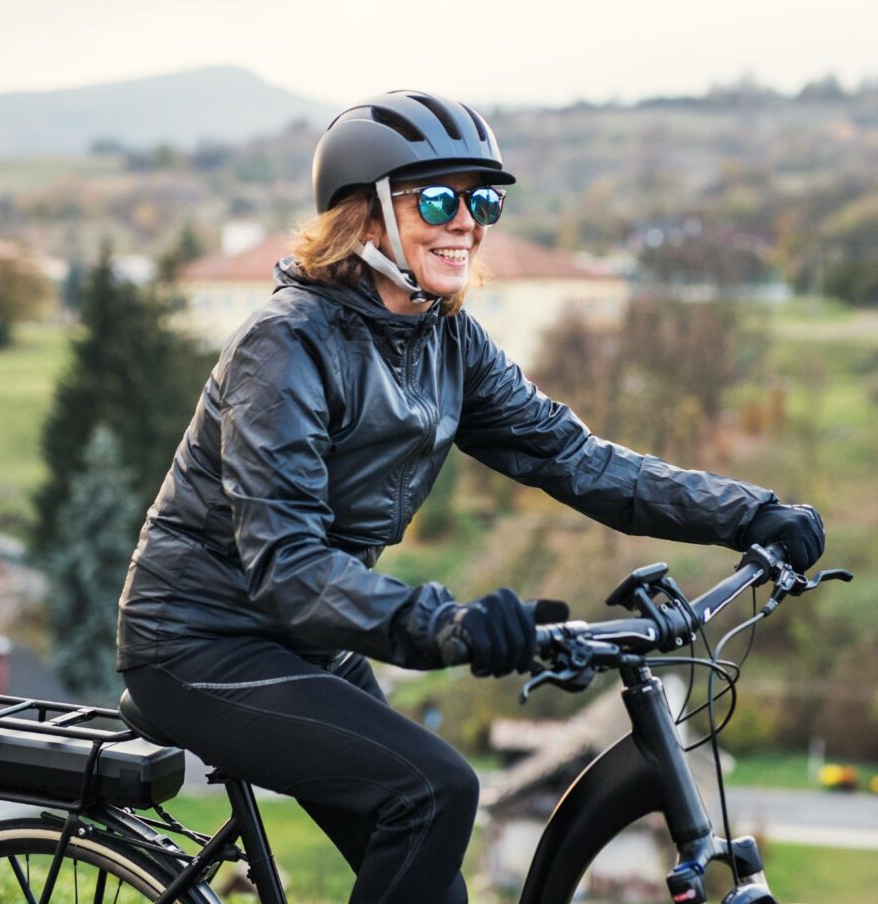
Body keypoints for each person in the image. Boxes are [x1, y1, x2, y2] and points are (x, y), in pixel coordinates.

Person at [116, 90, 824, 904]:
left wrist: (749, 513)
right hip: (197, 644)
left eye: (482, 201)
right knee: (434, 791)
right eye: (438, 201)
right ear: (365, 216)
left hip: (307, 640)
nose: (466, 222)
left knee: (432, 883)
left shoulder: (446, 338)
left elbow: (574, 458)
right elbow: (289, 566)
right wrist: (452, 624)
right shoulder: (284, 344)